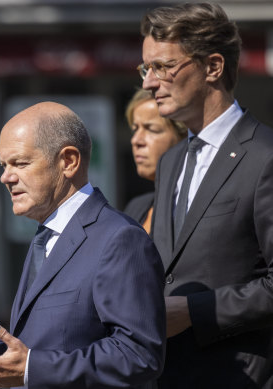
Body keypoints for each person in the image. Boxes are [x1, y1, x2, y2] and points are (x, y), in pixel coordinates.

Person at [0, 101, 166, 388]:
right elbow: (43, 343)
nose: (6, 177)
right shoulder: (47, 234)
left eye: (20, 163)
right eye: (4, 165)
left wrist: (30, 369)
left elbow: (138, 355)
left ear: (68, 161)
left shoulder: (120, 238)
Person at [139, 3, 273, 387]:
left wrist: (196, 311)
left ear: (213, 67)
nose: (149, 82)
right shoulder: (171, 162)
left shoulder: (265, 157)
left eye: (163, 67)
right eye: (146, 69)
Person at [123, 88, 186, 233]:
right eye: (135, 129)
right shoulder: (136, 207)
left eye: (151, 129)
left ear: (183, 136)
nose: (136, 140)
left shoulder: (195, 206)